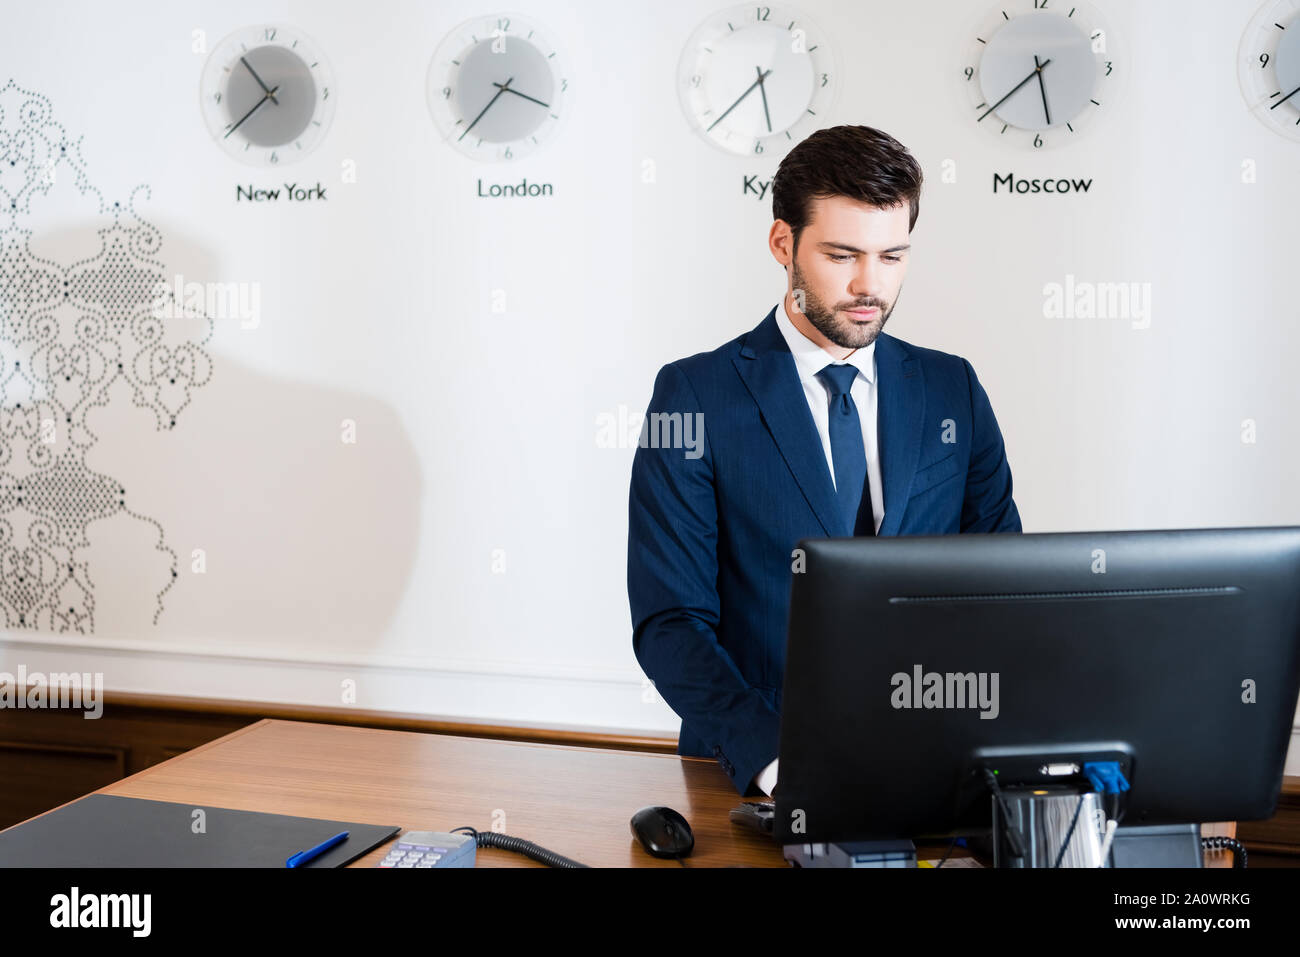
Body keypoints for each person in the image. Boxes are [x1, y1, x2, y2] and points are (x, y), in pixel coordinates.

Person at [627, 125, 1022, 797]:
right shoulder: (691, 394)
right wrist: (778, 765)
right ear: (784, 243)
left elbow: (1002, 587)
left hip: (934, 765)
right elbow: (670, 622)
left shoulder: (952, 387)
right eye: (843, 255)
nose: (870, 285)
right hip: (753, 776)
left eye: (892, 256)